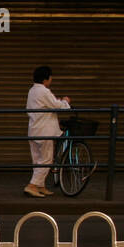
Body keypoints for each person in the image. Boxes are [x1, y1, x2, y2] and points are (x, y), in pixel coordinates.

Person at [25, 65, 72, 198]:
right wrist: (65, 101)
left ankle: (40, 185)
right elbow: (57, 105)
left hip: (34, 129)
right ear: (46, 79)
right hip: (44, 130)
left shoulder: (32, 91)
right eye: (50, 77)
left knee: (37, 159)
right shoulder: (44, 92)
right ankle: (32, 185)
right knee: (46, 159)